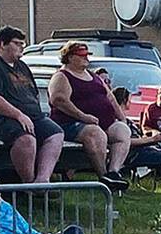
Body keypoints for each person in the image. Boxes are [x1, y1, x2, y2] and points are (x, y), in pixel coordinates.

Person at [0, 26, 64, 184]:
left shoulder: (22, 67)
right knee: (26, 139)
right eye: (17, 43)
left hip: (31, 117)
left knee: (55, 134)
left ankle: (42, 180)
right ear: (3, 44)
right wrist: (19, 115)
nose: (21, 47)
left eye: (23, 44)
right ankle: (29, 183)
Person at [46, 41, 131, 191]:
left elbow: (109, 97)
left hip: (103, 122)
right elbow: (59, 100)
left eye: (87, 55)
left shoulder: (93, 76)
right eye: (82, 56)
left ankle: (113, 172)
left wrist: (121, 117)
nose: (87, 58)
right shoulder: (62, 76)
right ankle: (103, 176)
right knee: (96, 134)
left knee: (122, 131)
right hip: (72, 124)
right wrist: (83, 116)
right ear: (71, 57)